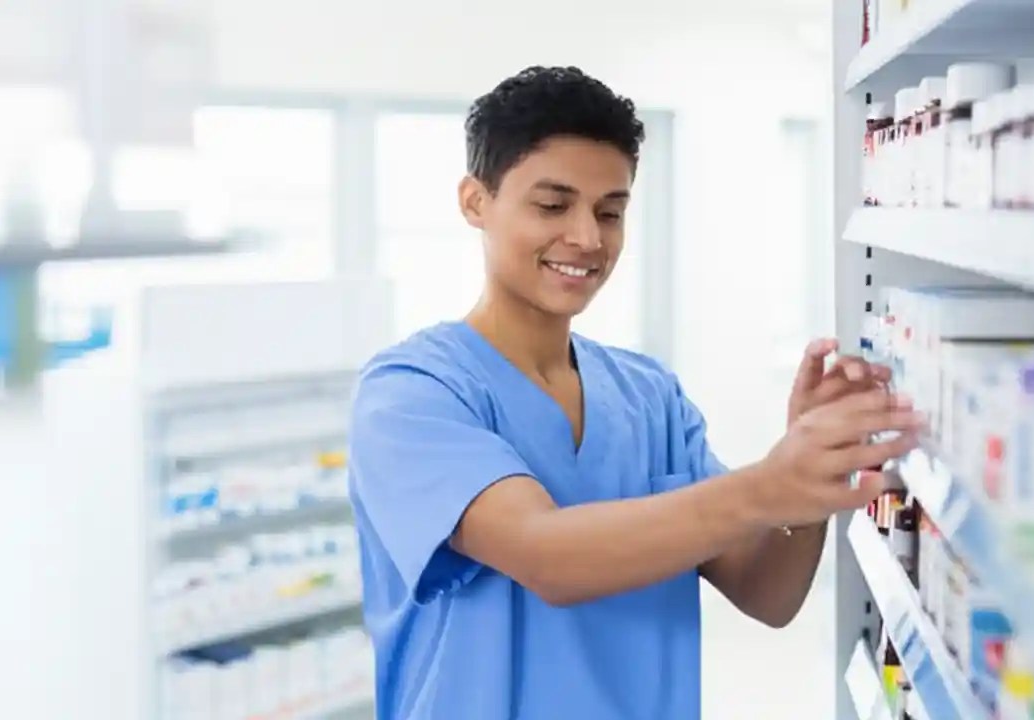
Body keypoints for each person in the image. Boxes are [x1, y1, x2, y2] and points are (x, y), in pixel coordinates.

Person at [348, 65, 921, 720]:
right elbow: (547, 556)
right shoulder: (411, 394)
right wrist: (768, 485)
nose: (588, 239)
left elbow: (768, 593)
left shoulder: (649, 396)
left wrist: (817, 471)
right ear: (475, 201)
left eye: (610, 212)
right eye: (552, 205)